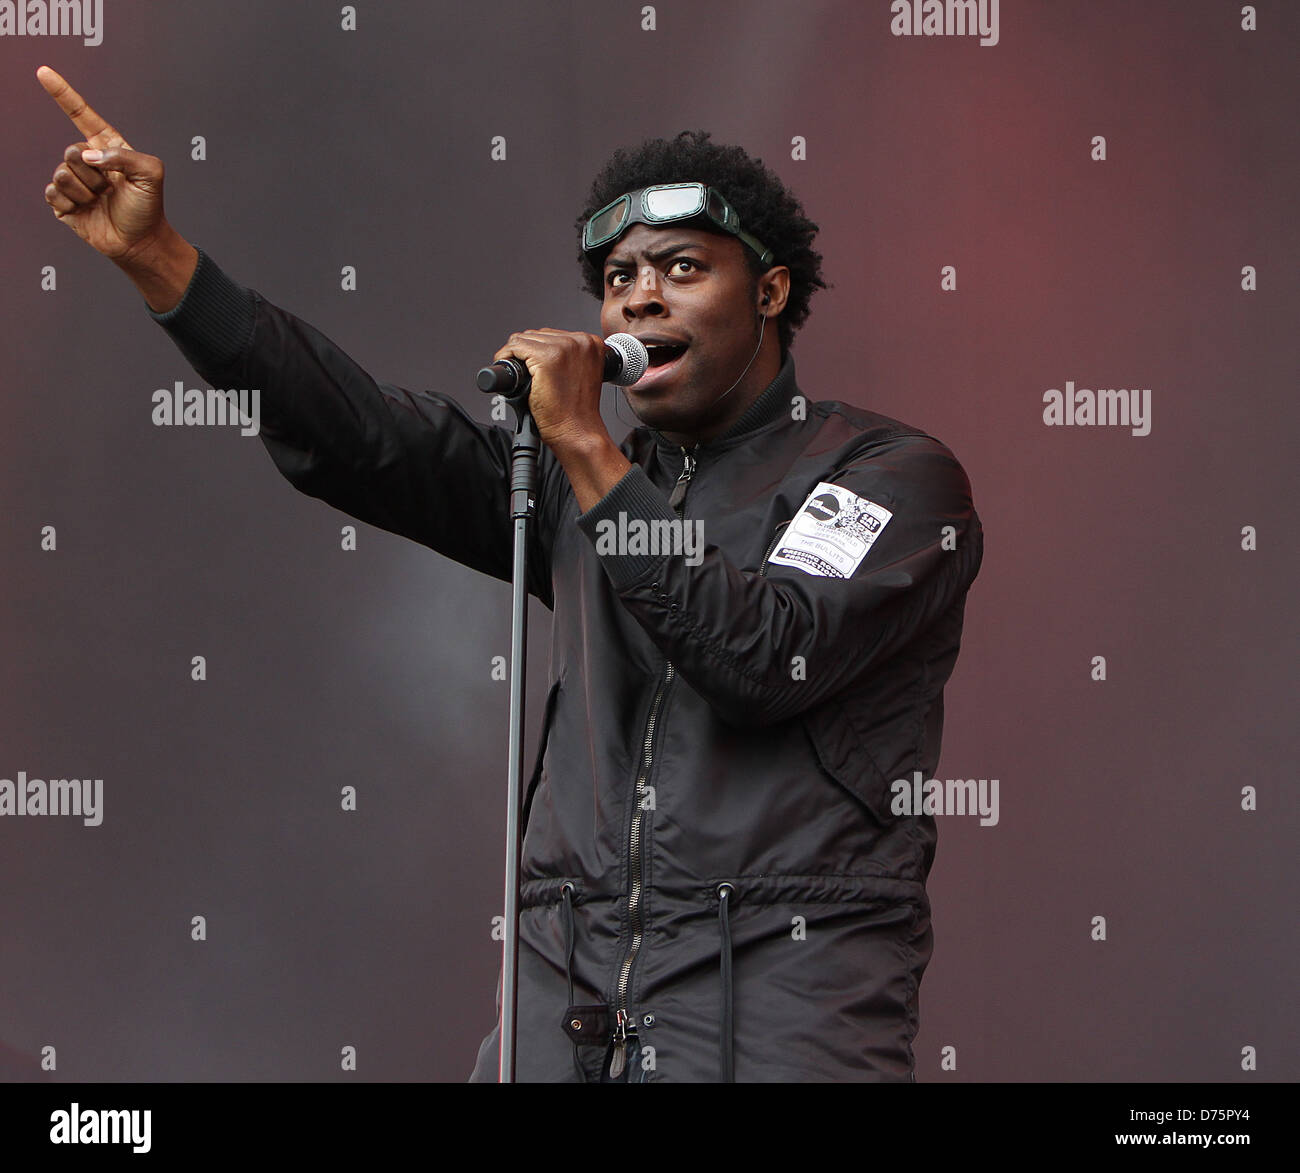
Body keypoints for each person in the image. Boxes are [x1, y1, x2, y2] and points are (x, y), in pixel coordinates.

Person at [39, 65, 984, 1083]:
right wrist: (163, 263)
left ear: (767, 289)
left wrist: (584, 444)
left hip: (776, 999)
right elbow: (360, 438)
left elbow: (760, 657)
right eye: (617, 280)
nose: (638, 297)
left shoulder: (880, 476)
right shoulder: (581, 481)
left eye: (678, 268)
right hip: (566, 996)